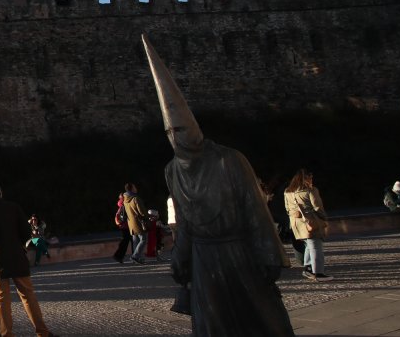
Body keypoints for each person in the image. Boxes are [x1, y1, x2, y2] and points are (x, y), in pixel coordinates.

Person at [143, 35, 294, 336]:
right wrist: (180, 259)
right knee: (212, 323)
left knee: (264, 318)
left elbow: (255, 207)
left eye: (184, 128)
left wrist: (269, 251)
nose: (180, 135)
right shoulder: (173, 170)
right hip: (203, 256)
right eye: (174, 131)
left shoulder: (229, 159)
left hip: (238, 250)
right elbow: (184, 220)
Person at [0, 181, 53, 337]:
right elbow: (26, 232)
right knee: (28, 296)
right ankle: (43, 332)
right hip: (17, 258)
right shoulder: (13, 207)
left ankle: (6, 334)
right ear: (0, 193)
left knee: (2, 300)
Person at [285, 169, 332, 282]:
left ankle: (308, 268)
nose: (311, 180)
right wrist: (324, 219)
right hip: (311, 223)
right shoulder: (311, 190)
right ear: (305, 178)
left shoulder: (288, 192)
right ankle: (318, 273)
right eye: (310, 177)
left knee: (309, 246)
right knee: (316, 247)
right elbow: (317, 207)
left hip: (297, 225)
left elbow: (287, 209)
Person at [124, 184, 148, 264]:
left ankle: (137, 259)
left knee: (135, 241)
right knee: (143, 239)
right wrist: (147, 216)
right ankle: (135, 256)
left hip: (131, 223)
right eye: (135, 187)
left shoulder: (125, 199)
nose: (136, 188)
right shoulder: (135, 198)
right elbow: (142, 212)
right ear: (132, 189)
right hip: (138, 222)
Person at [111, 191, 131, 263]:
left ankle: (119, 256)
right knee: (126, 241)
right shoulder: (125, 205)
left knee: (125, 241)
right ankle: (118, 256)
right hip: (126, 226)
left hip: (122, 226)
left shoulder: (121, 205)